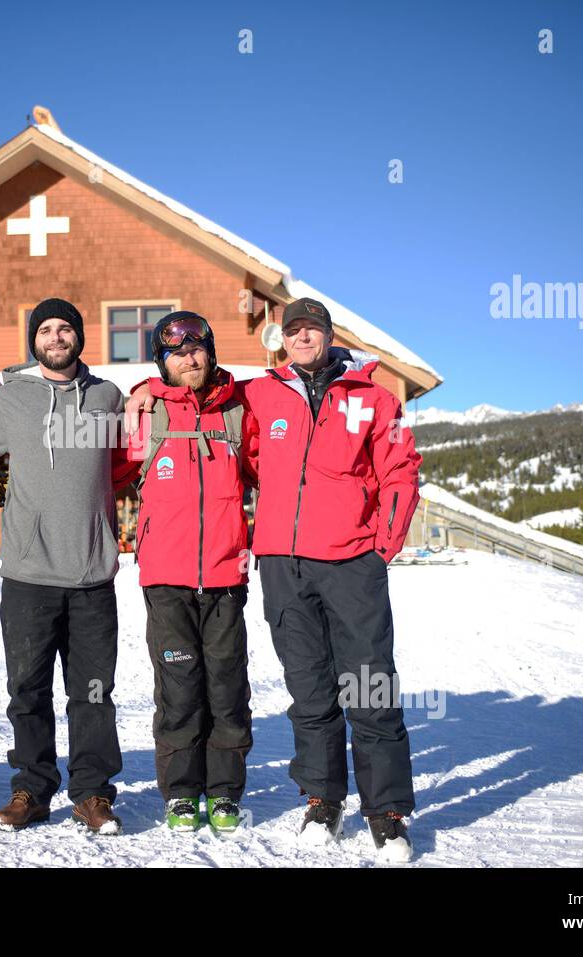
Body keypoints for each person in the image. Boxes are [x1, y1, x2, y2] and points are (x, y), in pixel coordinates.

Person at [241, 297, 422, 861]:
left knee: (369, 687)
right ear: (282, 339)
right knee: (310, 690)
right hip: (282, 563)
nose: (302, 338)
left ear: (327, 336)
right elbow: (245, 458)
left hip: (351, 564)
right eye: (292, 330)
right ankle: (323, 798)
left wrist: (380, 548)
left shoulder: (374, 398)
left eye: (311, 330)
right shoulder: (259, 395)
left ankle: (387, 812)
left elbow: (400, 471)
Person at [0, 298, 138, 835]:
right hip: (27, 574)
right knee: (27, 690)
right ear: (34, 339)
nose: (55, 336)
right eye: (45, 329)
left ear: (79, 337)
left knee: (93, 692)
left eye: (64, 327)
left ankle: (92, 793)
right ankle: (31, 788)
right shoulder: (7, 400)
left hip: (92, 573)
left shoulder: (107, 397)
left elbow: (122, 467)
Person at [130, 311, 258, 835]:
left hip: (226, 577)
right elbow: (102, 469)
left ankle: (224, 792)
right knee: (179, 690)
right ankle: (182, 793)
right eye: (176, 351)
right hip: (166, 579)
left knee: (227, 689)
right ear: (162, 361)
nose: (189, 357)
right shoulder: (144, 412)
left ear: (210, 352)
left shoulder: (237, 412)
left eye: (197, 348)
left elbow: (272, 471)